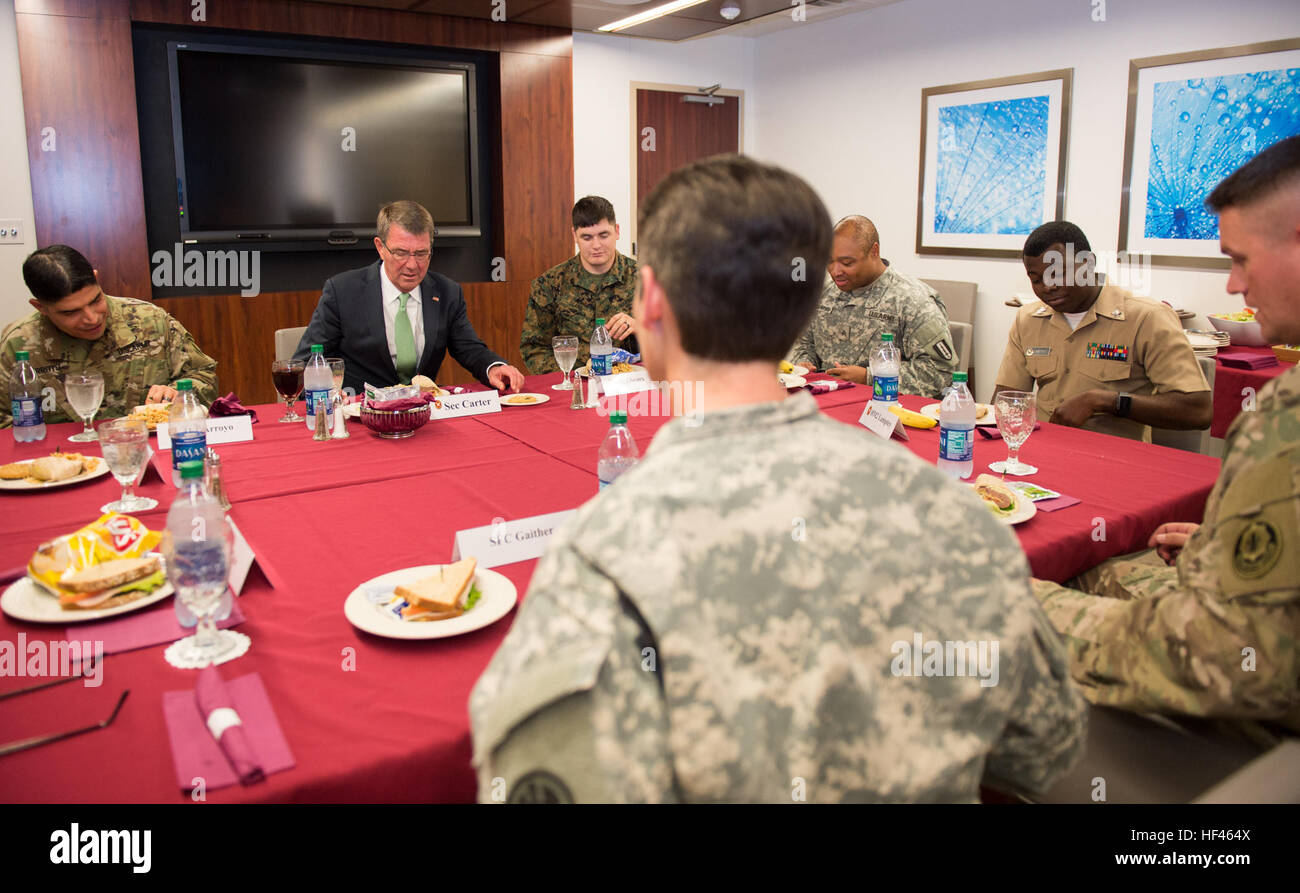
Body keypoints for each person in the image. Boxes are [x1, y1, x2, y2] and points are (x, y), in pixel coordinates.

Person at [470, 155, 1086, 803]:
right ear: (804, 305)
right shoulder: (952, 513)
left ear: (650, 301)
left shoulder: (600, 559)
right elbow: (1046, 744)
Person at [1032, 135, 1300, 734]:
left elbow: (1228, 657)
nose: (1231, 286)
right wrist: (1217, 544)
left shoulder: (1288, 414)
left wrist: (1013, 605)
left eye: (1241, 259)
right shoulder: (1028, 320)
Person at [994, 221, 1210, 440]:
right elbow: (1006, 401)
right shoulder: (1028, 319)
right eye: (1036, 280)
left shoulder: (1147, 318)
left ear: (1088, 264)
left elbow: (1198, 410)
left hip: (1117, 460)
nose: (1048, 287)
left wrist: (1104, 401)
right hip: (1044, 451)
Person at [294, 201, 524, 394]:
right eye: (401, 253)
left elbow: (468, 348)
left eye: (422, 253)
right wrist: (333, 397)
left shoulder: (447, 292)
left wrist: (493, 366)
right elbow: (307, 362)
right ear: (380, 247)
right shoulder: (343, 292)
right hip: (361, 416)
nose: (412, 265)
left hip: (424, 413)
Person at [0, 244, 218, 426]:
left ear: (96, 278)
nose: (92, 318)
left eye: (95, 300)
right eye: (71, 312)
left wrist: (176, 394)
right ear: (41, 307)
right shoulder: (18, 345)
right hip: (62, 464)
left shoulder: (149, 320)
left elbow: (204, 376)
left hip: (146, 453)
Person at [790, 216, 958, 399]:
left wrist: (870, 377)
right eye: (829, 261)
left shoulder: (912, 300)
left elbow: (940, 372)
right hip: (825, 402)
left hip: (885, 408)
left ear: (874, 252)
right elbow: (804, 344)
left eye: (847, 263)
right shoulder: (822, 294)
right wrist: (804, 362)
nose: (835, 271)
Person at [519, 196, 638, 374]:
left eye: (603, 235)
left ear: (617, 231)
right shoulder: (550, 284)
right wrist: (571, 378)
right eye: (587, 237)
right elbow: (533, 348)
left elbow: (677, 341)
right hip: (571, 388)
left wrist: (641, 328)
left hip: (628, 386)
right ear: (574, 236)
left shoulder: (645, 279)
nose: (596, 245)